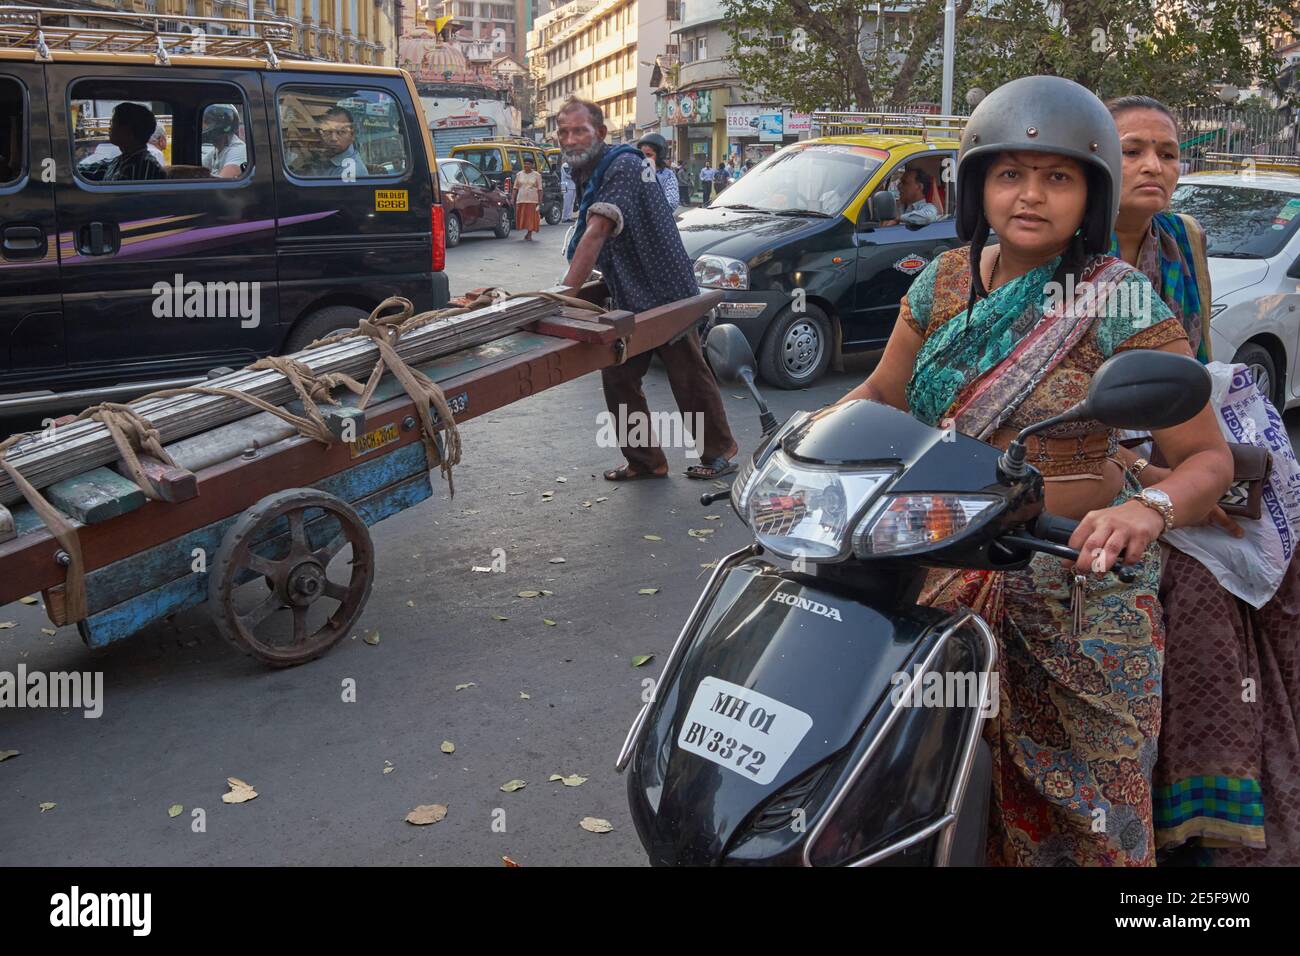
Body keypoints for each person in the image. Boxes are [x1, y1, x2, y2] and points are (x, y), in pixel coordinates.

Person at [840, 75, 1233, 866]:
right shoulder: (944, 281)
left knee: (1092, 821)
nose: (1030, 196)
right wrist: (807, 444)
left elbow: (1208, 459)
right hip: (935, 565)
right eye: (1009, 173)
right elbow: (881, 396)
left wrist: (1146, 509)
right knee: (912, 784)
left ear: (1091, 192)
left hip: (1074, 581)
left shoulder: (1116, 297)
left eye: (1058, 177)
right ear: (977, 181)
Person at [1107, 93, 1300, 865]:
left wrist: (1215, 472)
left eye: (1168, 151)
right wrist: (1158, 483)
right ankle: (1184, 819)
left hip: (1184, 456)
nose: (1154, 166)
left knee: (1278, 573)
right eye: (1131, 150)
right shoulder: (1071, 262)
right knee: (1197, 605)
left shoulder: (1184, 240)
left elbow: (1203, 378)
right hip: (1097, 467)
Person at [556, 98, 737, 481]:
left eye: (579, 131)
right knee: (618, 375)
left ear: (601, 133)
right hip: (629, 289)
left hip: (665, 288)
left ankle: (720, 451)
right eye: (563, 132)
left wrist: (561, 295)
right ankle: (645, 460)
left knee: (687, 373)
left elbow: (598, 230)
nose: (569, 139)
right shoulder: (589, 169)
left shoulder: (622, 165)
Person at [80, 103, 165, 182]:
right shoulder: (121, 160)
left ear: (128, 131)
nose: (110, 128)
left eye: (113, 123)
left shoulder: (145, 167)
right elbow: (97, 168)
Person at [293, 106, 369, 178]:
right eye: (327, 132)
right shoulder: (323, 158)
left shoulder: (352, 171)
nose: (333, 138)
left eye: (341, 132)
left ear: (352, 135)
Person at [202, 104, 247, 179]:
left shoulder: (238, 150)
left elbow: (220, 184)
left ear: (220, 125)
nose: (202, 127)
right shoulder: (216, 151)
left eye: (206, 122)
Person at [636, 132, 679, 209]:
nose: (644, 159)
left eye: (649, 155)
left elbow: (672, 203)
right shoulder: (634, 173)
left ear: (660, 156)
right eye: (642, 155)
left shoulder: (667, 175)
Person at [512, 154, 543, 240]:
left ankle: (529, 233)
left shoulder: (537, 175)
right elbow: (515, 188)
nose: (526, 165)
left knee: (531, 218)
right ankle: (527, 233)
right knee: (522, 217)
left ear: (532, 165)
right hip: (521, 199)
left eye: (528, 164)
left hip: (532, 200)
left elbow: (540, 189)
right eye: (525, 164)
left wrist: (540, 202)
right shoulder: (519, 174)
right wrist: (512, 198)